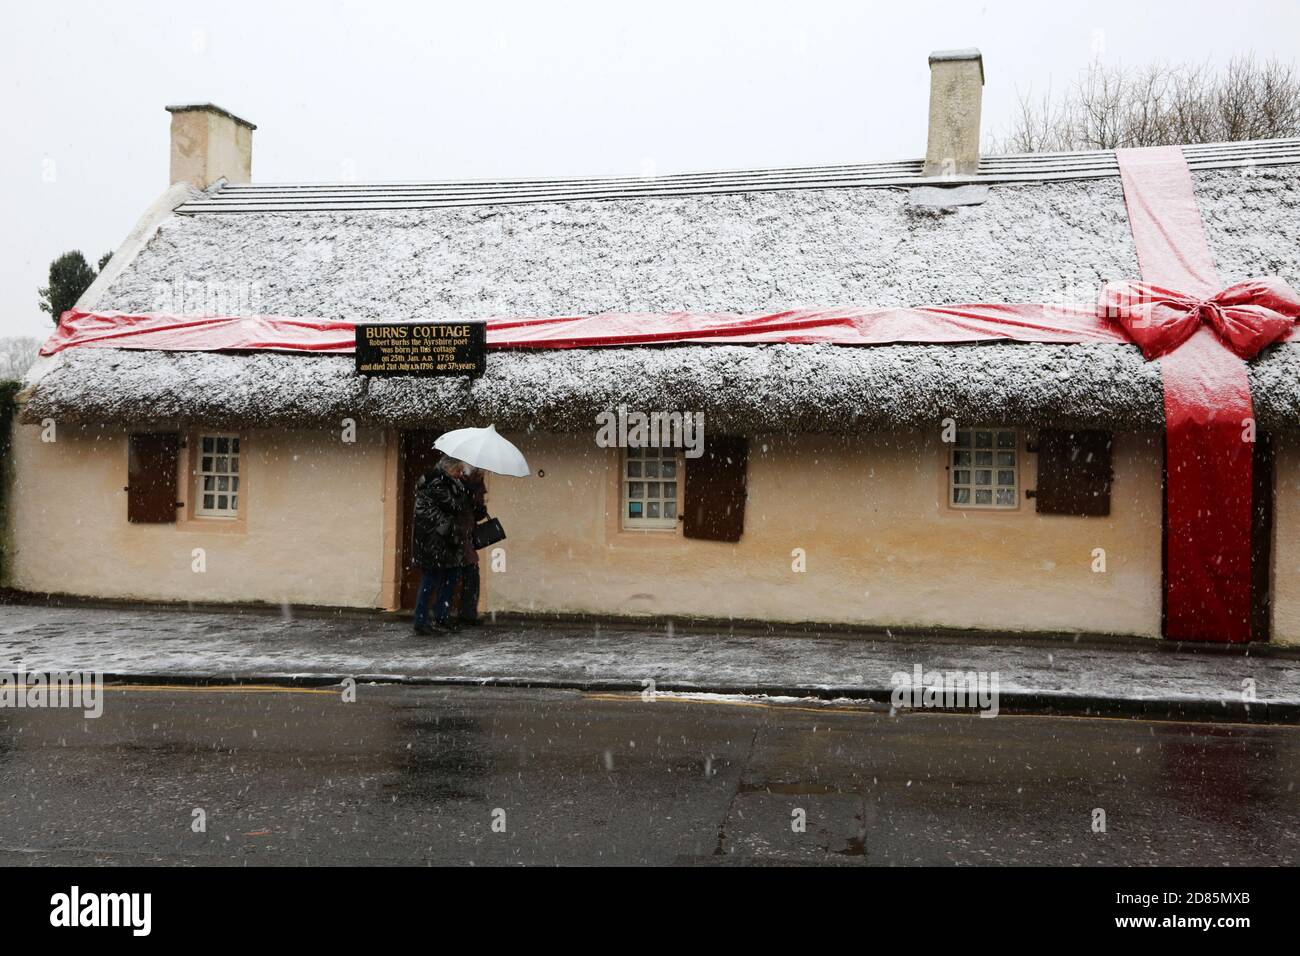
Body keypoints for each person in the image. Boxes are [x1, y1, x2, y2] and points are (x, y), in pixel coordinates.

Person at [411, 455, 474, 635]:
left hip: (444, 540)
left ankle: (442, 616)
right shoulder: (436, 482)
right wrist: (464, 489)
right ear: (448, 468)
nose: (460, 473)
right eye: (458, 470)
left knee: (450, 578)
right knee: (431, 581)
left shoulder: (444, 480)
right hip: (434, 541)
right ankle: (421, 621)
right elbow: (453, 506)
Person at [453, 470, 489, 627]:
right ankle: (464, 613)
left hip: (463, 535)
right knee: (463, 575)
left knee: (470, 574)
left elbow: (477, 512)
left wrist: (479, 507)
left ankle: (467, 613)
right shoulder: (458, 484)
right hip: (457, 535)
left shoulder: (471, 483)